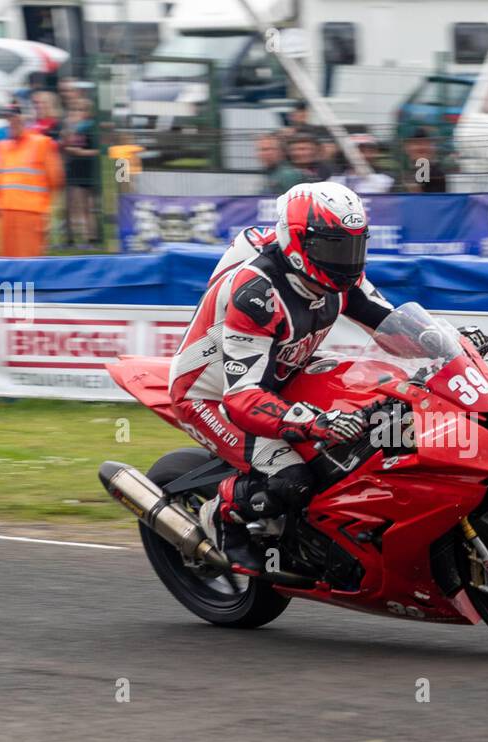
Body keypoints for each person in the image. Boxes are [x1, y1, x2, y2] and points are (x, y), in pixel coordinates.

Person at [168, 182, 396, 569]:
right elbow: (242, 399)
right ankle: (223, 514)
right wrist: (314, 422)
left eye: (354, 246)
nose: (347, 261)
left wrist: (452, 342)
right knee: (294, 477)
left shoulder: (340, 279)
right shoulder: (256, 294)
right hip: (212, 395)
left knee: (378, 419)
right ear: (298, 243)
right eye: (334, 247)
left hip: (282, 374)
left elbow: (390, 324)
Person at [0, 104, 62, 257]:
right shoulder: (1, 147)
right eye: (8, 119)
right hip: (5, 213)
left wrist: (48, 212)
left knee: (28, 262)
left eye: (14, 118)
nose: (11, 123)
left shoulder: (41, 144)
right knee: (7, 263)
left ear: (24, 119)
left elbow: (55, 180)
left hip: (30, 215)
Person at [62, 97, 99, 248]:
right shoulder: (72, 127)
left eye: (83, 109)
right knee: (73, 206)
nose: (79, 113)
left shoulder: (92, 128)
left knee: (88, 207)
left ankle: (92, 238)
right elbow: (66, 145)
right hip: (74, 171)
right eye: (76, 109)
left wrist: (81, 152)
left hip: (89, 171)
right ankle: (71, 238)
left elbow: (100, 150)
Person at [399, 128, 446, 193]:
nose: (421, 147)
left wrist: (416, 191)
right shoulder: (403, 173)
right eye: (417, 143)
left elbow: (435, 201)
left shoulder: (436, 174)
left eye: (425, 143)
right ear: (407, 148)